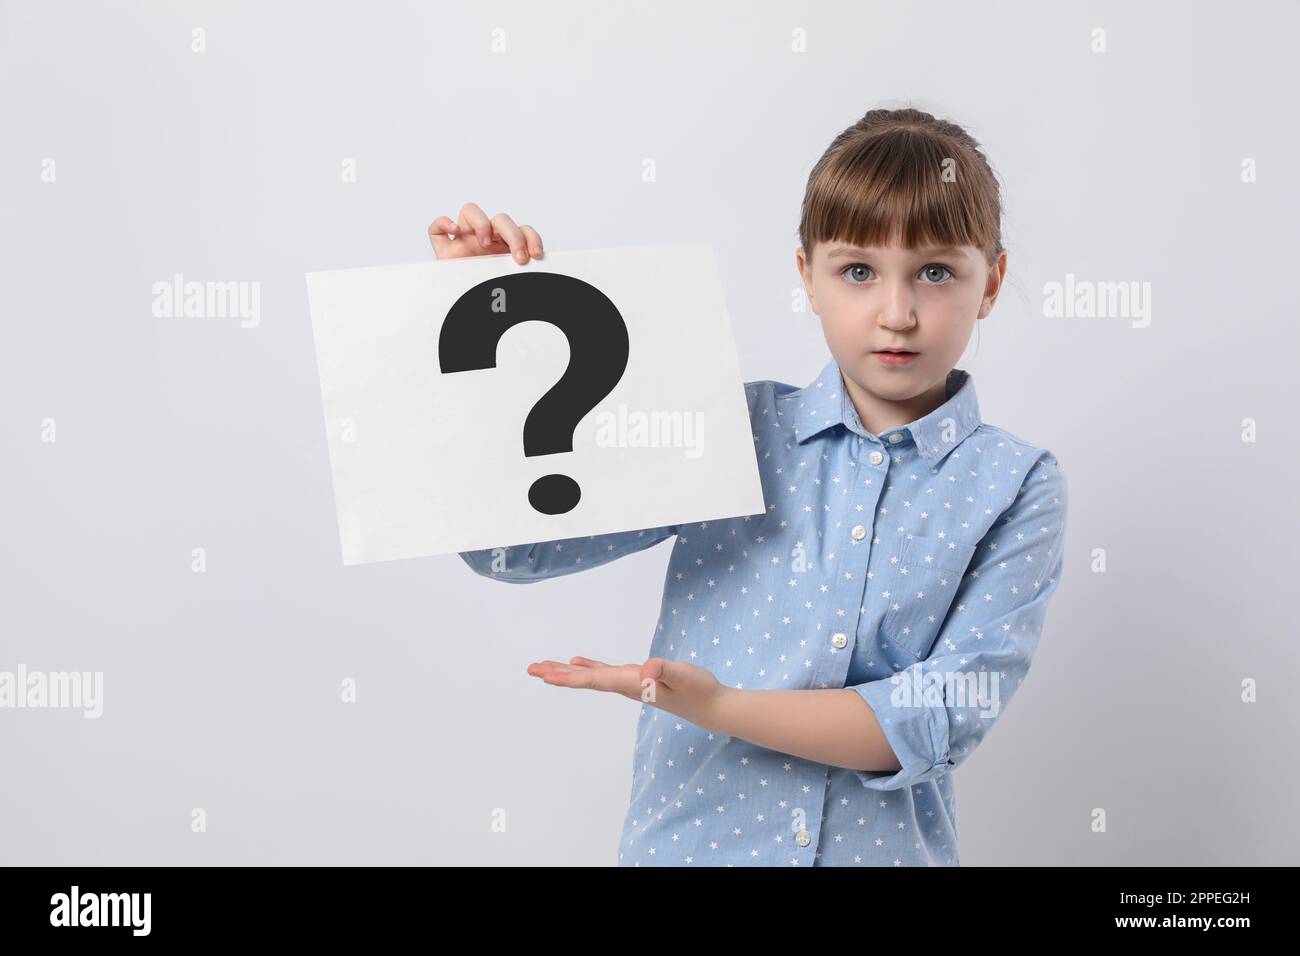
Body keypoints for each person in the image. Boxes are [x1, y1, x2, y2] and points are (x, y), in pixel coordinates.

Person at [434, 107, 1069, 866]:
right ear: (808, 275)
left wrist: (718, 707)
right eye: (857, 271)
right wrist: (465, 318)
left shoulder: (1015, 484)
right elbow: (510, 549)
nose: (896, 314)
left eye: (935, 272)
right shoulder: (729, 427)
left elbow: (934, 720)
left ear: (990, 281)